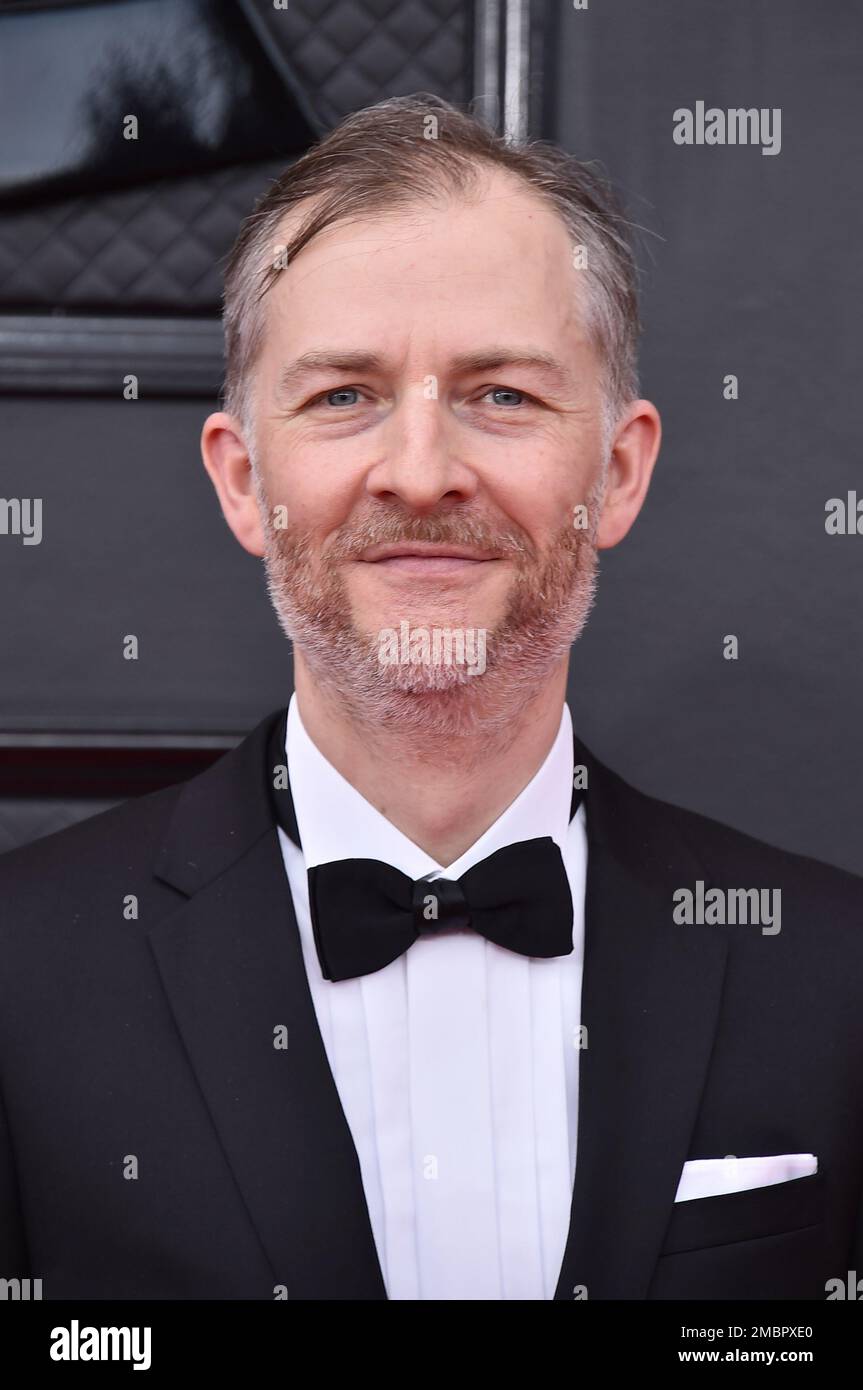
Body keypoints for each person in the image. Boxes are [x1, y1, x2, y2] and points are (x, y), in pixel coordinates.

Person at [1, 94, 861, 1302]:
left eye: (500, 393)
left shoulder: (834, 973)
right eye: (343, 395)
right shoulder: (19, 970)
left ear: (614, 473)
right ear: (244, 483)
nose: (418, 473)